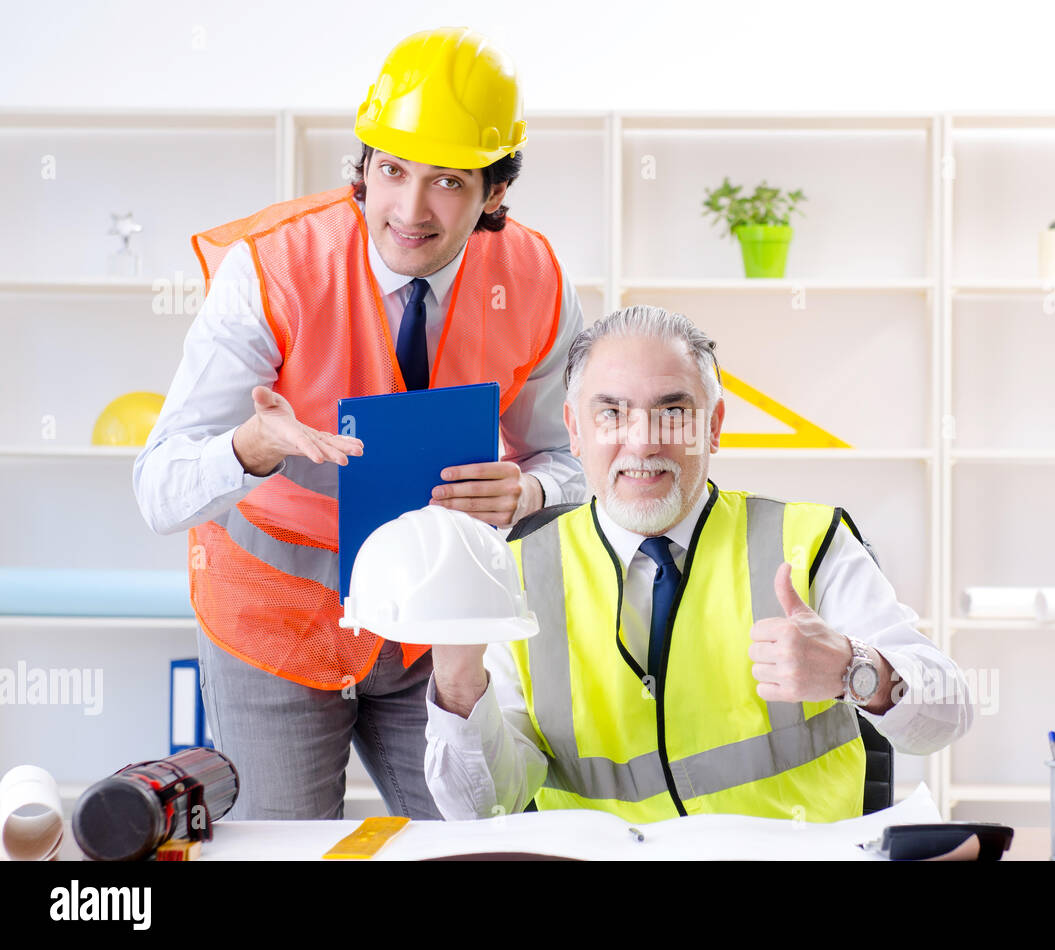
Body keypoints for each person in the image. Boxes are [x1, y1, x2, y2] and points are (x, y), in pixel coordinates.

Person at [132, 27, 587, 820]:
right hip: (278, 621)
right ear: (364, 166)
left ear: (495, 192)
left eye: (447, 180)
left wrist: (529, 489)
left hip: (435, 624)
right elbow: (159, 492)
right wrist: (251, 449)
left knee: (473, 837)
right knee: (284, 851)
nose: (409, 210)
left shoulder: (537, 278)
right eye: (391, 170)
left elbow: (575, 461)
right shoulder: (272, 269)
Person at [424, 305, 973, 822]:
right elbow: (480, 809)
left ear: (713, 425)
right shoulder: (511, 573)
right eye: (611, 412)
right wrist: (456, 680)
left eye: (673, 411)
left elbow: (948, 711)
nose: (642, 443)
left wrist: (857, 671)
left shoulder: (808, 541)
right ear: (574, 428)